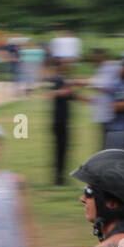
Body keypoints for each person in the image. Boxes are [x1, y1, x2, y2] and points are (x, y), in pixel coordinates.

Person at [48, 57, 77, 186]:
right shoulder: (57, 80)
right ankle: (58, 179)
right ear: (59, 67)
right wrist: (71, 85)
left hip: (63, 121)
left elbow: (71, 96)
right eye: (64, 65)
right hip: (59, 121)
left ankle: (60, 177)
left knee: (64, 150)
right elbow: (58, 93)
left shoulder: (63, 80)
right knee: (60, 151)